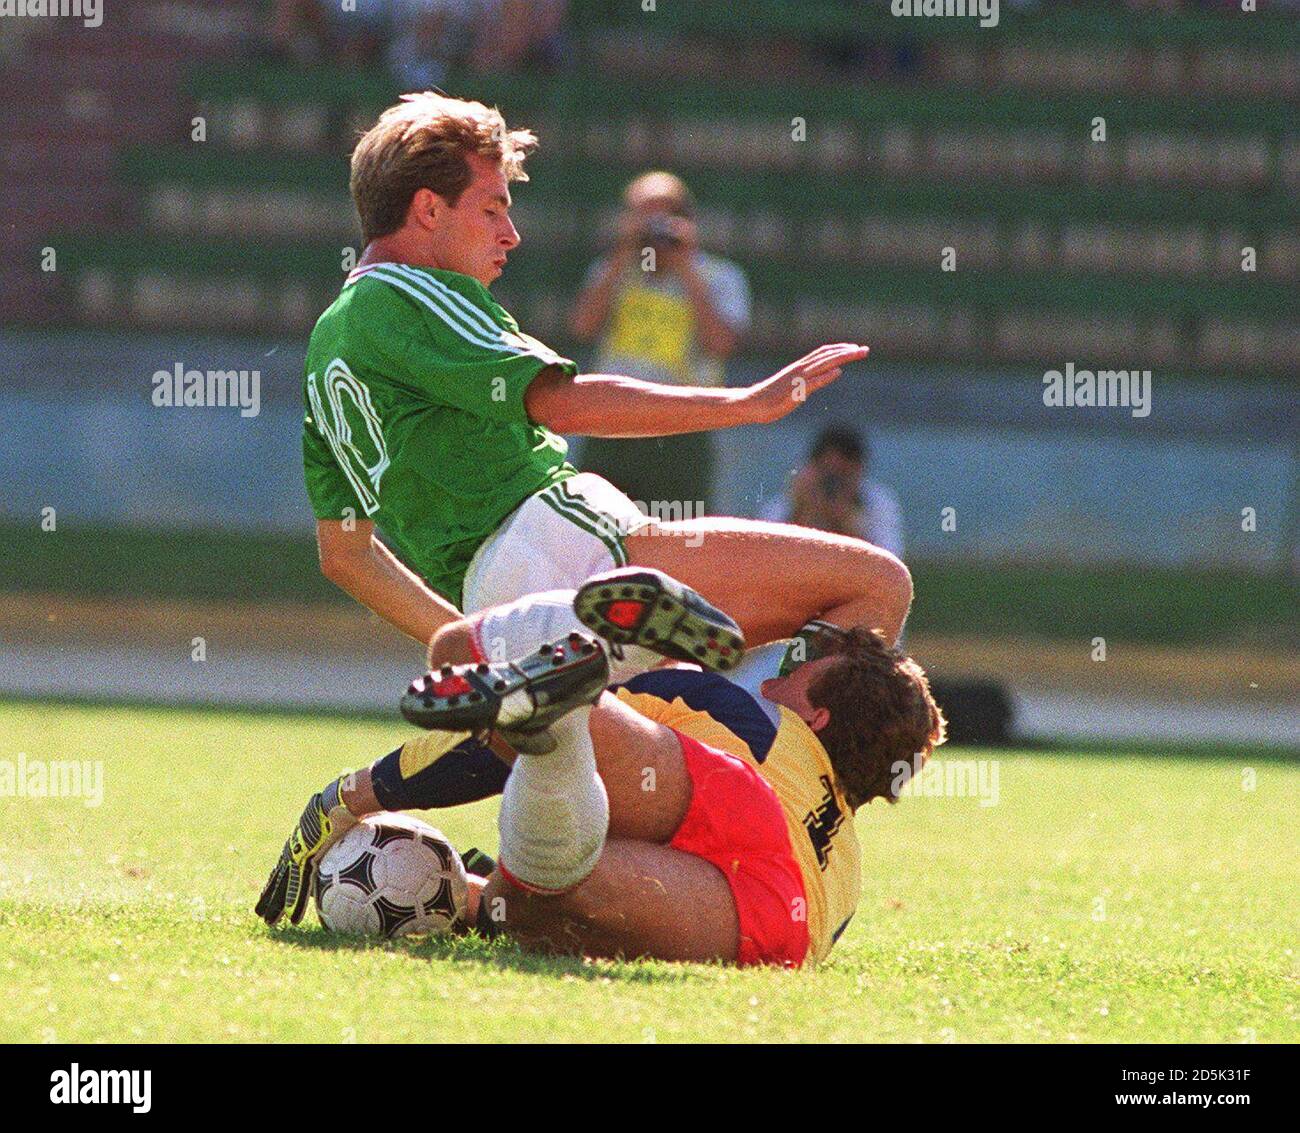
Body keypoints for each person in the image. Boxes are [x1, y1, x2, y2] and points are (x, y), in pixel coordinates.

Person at [303, 91, 911, 681]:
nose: (510, 233)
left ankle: (380, 780)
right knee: (876, 584)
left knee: (613, 778)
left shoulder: (328, 343)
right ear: (429, 210)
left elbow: (346, 556)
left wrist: (472, 638)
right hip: (565, 537)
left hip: (494, 593)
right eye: (492, 209)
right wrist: (744, 404)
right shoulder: (415, 292)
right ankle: (792, 756)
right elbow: (560, 404)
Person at [256, 571, 945, 967]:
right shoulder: (849, 869)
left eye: (802, 668)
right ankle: (482, 873)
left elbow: (475, 748)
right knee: (544, 899)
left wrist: (349, 794)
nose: (781, 672)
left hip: (734, 797)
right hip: (784, 918)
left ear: (819, 716)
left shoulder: (755, 719)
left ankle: (576, 687)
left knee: (461, 657)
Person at [568, 171, 751, 514]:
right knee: (594, 534)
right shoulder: (611, 271)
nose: (653, 228)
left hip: (681, 428)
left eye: (664, 216)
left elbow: (721, 343)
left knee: (680, 536)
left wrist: (685, 267)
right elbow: (583, 326)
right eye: (642, 216)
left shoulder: (719, 277)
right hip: (611, 424)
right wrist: (623, 254)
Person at [760, 426, 904, 558]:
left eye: (843, 474)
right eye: (826, 472)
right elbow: (767, 555)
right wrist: (800, 510)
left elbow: (890, 561)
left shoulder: (878, 503)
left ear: (859, 469)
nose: (833, 483)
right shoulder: (787, 502)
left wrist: (846, 521)